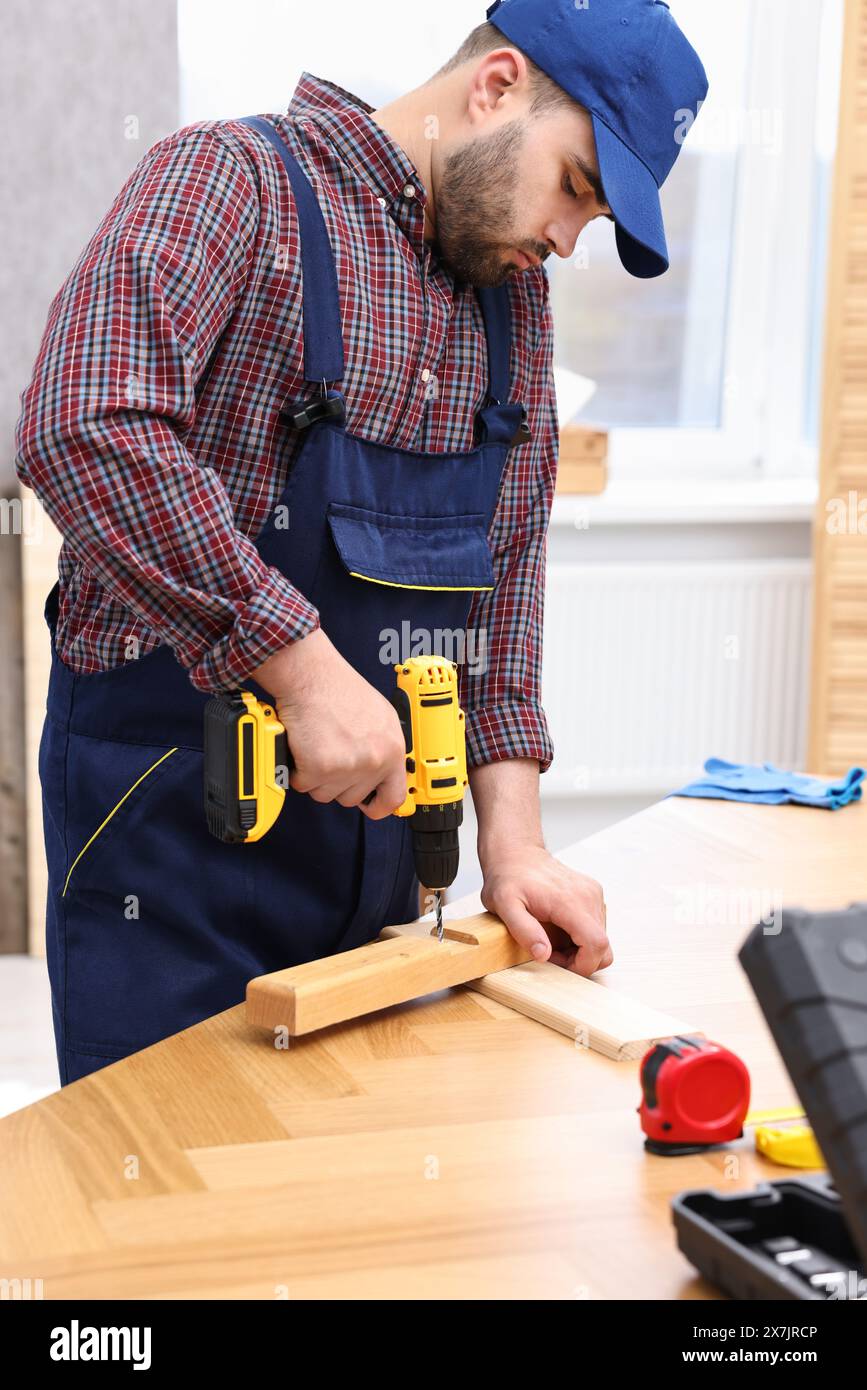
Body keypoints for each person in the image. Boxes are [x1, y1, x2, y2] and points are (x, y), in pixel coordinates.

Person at [15, 0, 707, 1085]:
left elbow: (507, 576)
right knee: (167, 1200)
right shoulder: (229, 182)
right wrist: (297, 665)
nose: (569, 240)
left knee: (349, 1196)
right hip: (165, 823)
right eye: (576, 184)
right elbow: (83, 422)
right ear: (496, 86)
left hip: (379, 856)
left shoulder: (510, 300)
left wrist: (514, 845)